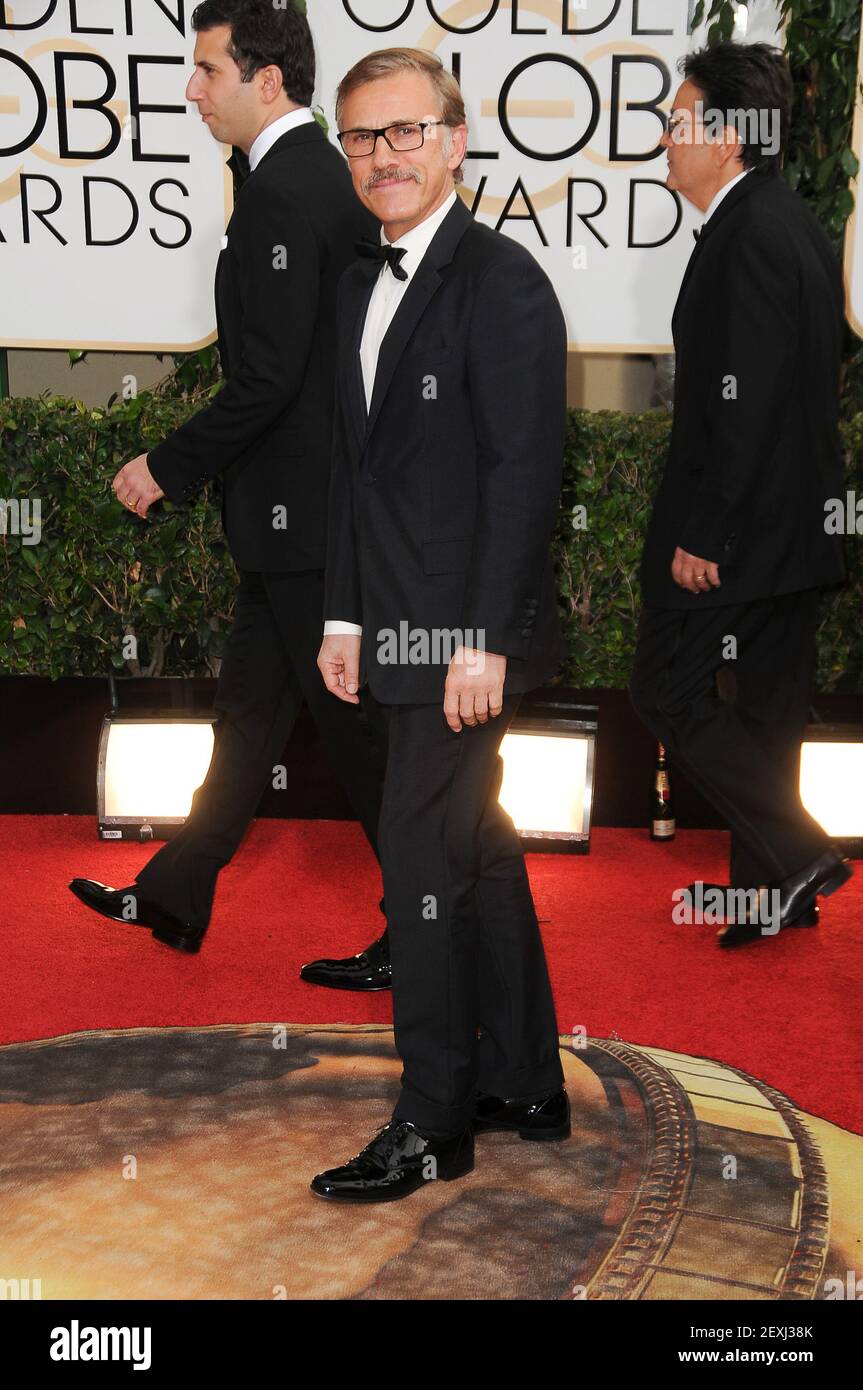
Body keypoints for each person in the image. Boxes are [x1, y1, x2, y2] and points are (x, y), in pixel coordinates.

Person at [69, 0, 388, 957]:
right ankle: (177, 892)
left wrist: (165, 466)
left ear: (268, 80)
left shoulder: (290, 190)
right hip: (288, 520)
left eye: (208, 70)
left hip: (307, 522)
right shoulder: (295, 178)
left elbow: (270, 375)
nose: (191, 90)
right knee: (248, 719)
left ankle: (431, 928)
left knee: (362, 746)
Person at [310, 48, 569, 1204]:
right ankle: (520, 1079)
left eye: (404, 133)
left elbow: (524, 476)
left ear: (455, 141)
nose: (382, 157)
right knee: (476, 850)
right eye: (361, 139)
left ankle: (431, 1118)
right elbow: (358, 475)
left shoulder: (501, 279)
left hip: (461, 642)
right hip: (395, 626)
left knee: (419, 862)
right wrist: (343, 611)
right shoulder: (359, 281)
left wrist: (483, 637)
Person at [630, 41, 853, 949]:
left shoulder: (750, 235)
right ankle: (775, 892)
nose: (664, 141)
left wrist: (705, 531)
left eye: (677, 122)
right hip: (790, 534)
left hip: (743, 534)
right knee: (761, 715)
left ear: (727, 136)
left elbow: (748, 403)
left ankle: (797, 851)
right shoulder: (786, 222)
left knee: (663, 691)